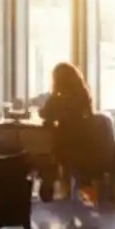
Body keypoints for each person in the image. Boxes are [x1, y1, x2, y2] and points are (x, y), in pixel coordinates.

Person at [40, 63, 96, 202]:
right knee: (84, 174)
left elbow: (45, 114)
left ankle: (52, 191)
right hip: (86, 143)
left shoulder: (57, 100)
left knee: (46, 156)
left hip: (64, 144)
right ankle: (89, 201)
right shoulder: (83, 96)